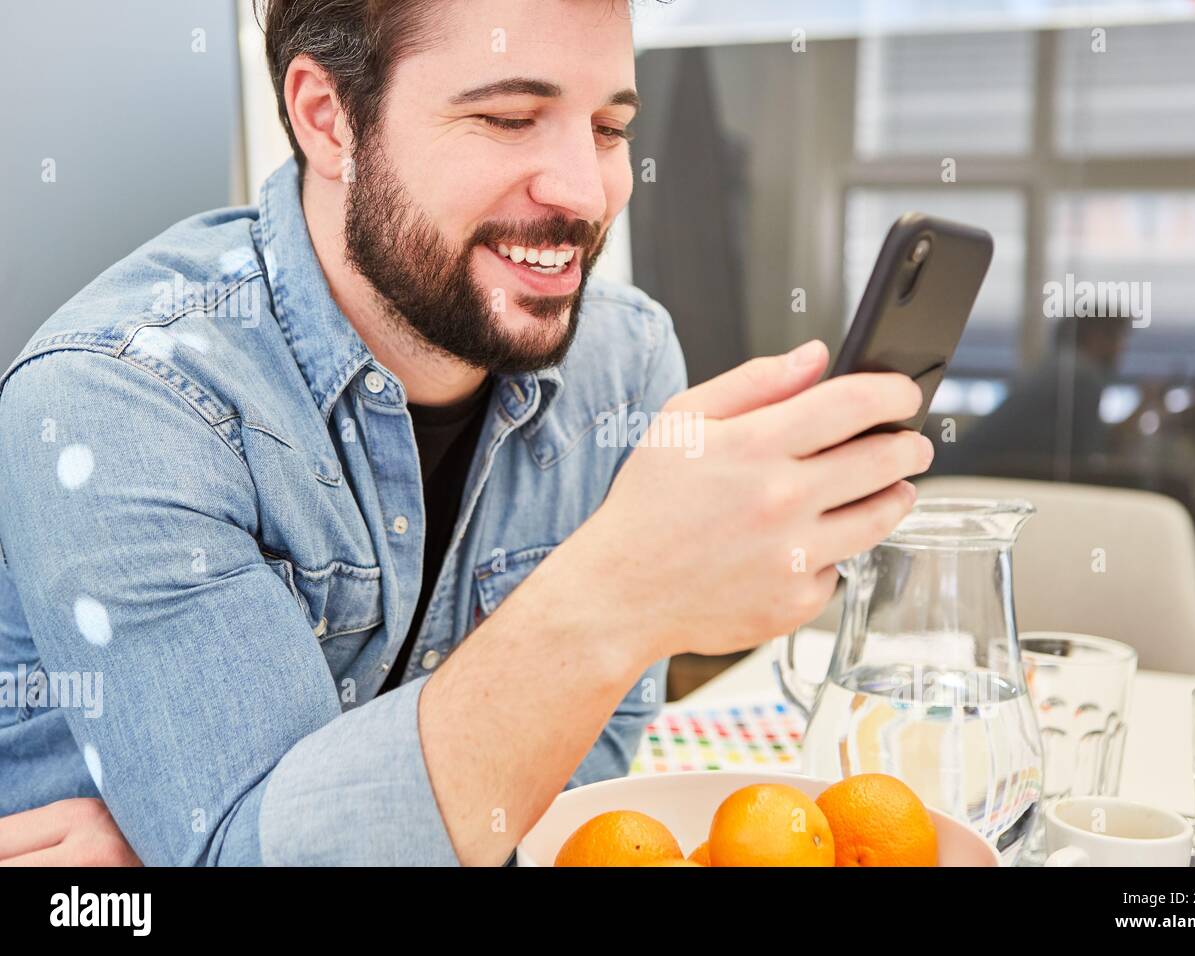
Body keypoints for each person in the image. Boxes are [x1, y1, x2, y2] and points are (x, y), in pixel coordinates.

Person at [0, 0, 932, 866]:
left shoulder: (626, 359)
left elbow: (575, 810)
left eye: (610, 129)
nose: (586, 192)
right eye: (507, 117)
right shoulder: (120, 400)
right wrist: (622, 588)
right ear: (329, 119)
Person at [936, 314, 1129, 477]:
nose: (1123, 348)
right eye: (1119, 338)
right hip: (974, 475)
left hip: (966, 469)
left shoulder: (1058, 367)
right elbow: (1087, 460)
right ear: (1095, 337)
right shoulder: (1081, 376)